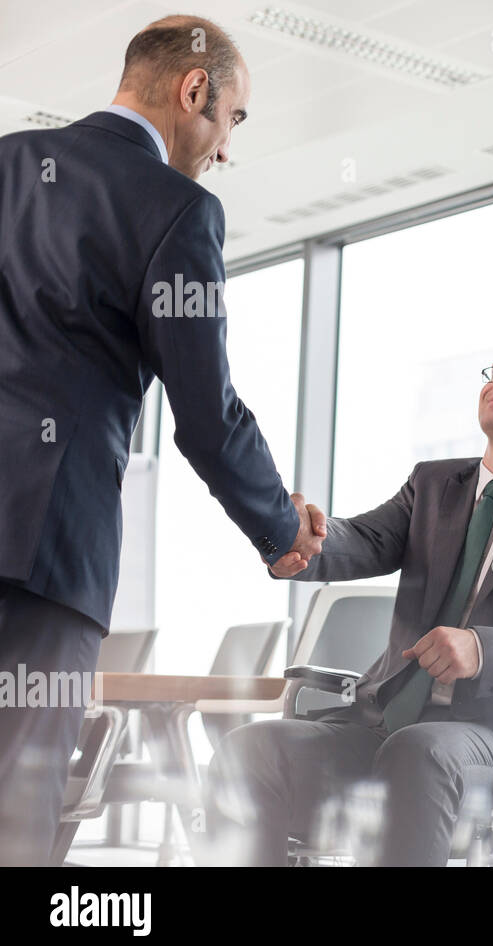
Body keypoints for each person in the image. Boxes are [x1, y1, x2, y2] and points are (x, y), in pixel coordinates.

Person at [0, 15, 324, 865]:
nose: (224, 147)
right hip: (45, 551)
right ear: (194, 90)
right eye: (232, 119)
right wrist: (280, 527)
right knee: (14, 811)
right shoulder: (176, 210)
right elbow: (205, 414)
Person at [203, 324, 493, 866]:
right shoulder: (433, 485)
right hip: (384, 721)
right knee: (249, 750)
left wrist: (483, 649)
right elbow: (360, 540)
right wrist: (302, 538)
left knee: (419, 751)